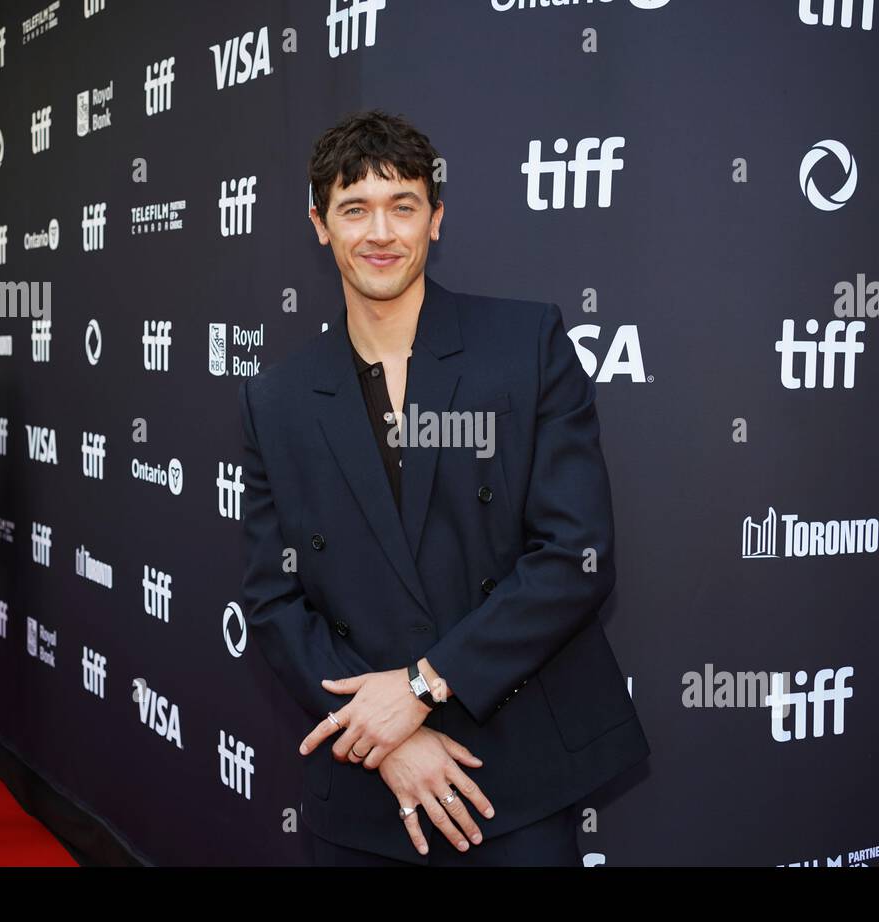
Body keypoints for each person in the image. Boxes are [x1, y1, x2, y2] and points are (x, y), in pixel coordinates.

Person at [239, 110, 649, 866]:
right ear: (319, 225)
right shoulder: (278, 399)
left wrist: (423, 689)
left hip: (514, 772)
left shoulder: (524, 346)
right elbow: (273, 599)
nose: (380, 232)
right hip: (362, 784)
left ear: (437, 218)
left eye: (403, 206)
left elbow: (573, 556)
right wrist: (383, 736)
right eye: (353, 208)